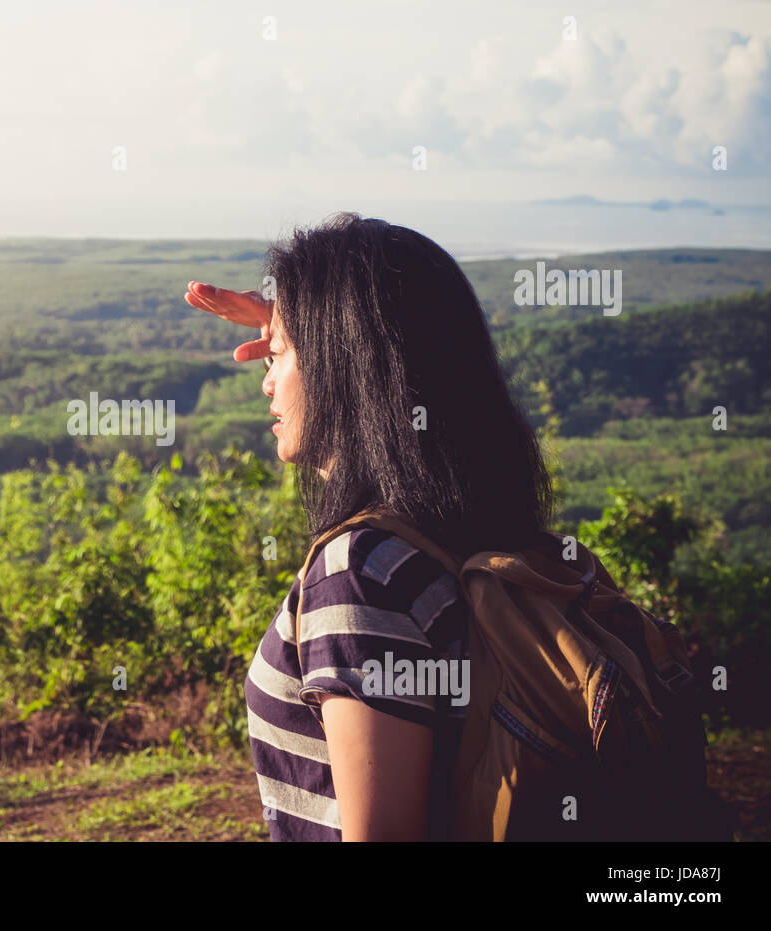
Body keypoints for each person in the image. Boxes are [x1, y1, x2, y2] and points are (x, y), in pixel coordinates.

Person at [184, 212, 555, 841]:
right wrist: (306, 318)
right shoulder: (468, 527)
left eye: (276, 356)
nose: (266, 381)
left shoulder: (362, 574)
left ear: (341, 362)